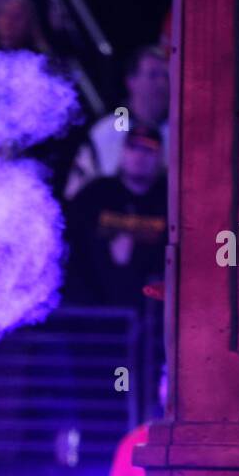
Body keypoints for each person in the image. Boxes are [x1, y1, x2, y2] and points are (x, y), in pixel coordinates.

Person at [63, 124, 167, 308]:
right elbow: (72, 244)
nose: (139, 156)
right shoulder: (96, 194)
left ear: (160, 157)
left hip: (152, 310)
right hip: (96, 308)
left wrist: (135, 256)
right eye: (132, 147)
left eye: (148, 150)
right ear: (122, 152)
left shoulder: (168, 199)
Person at [64, 46, 169, 199]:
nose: (161, 84)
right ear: (131, 81)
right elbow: (75, 191)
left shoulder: (177, 130)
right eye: (153, 75)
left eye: (166, 76)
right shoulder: (112, 126)